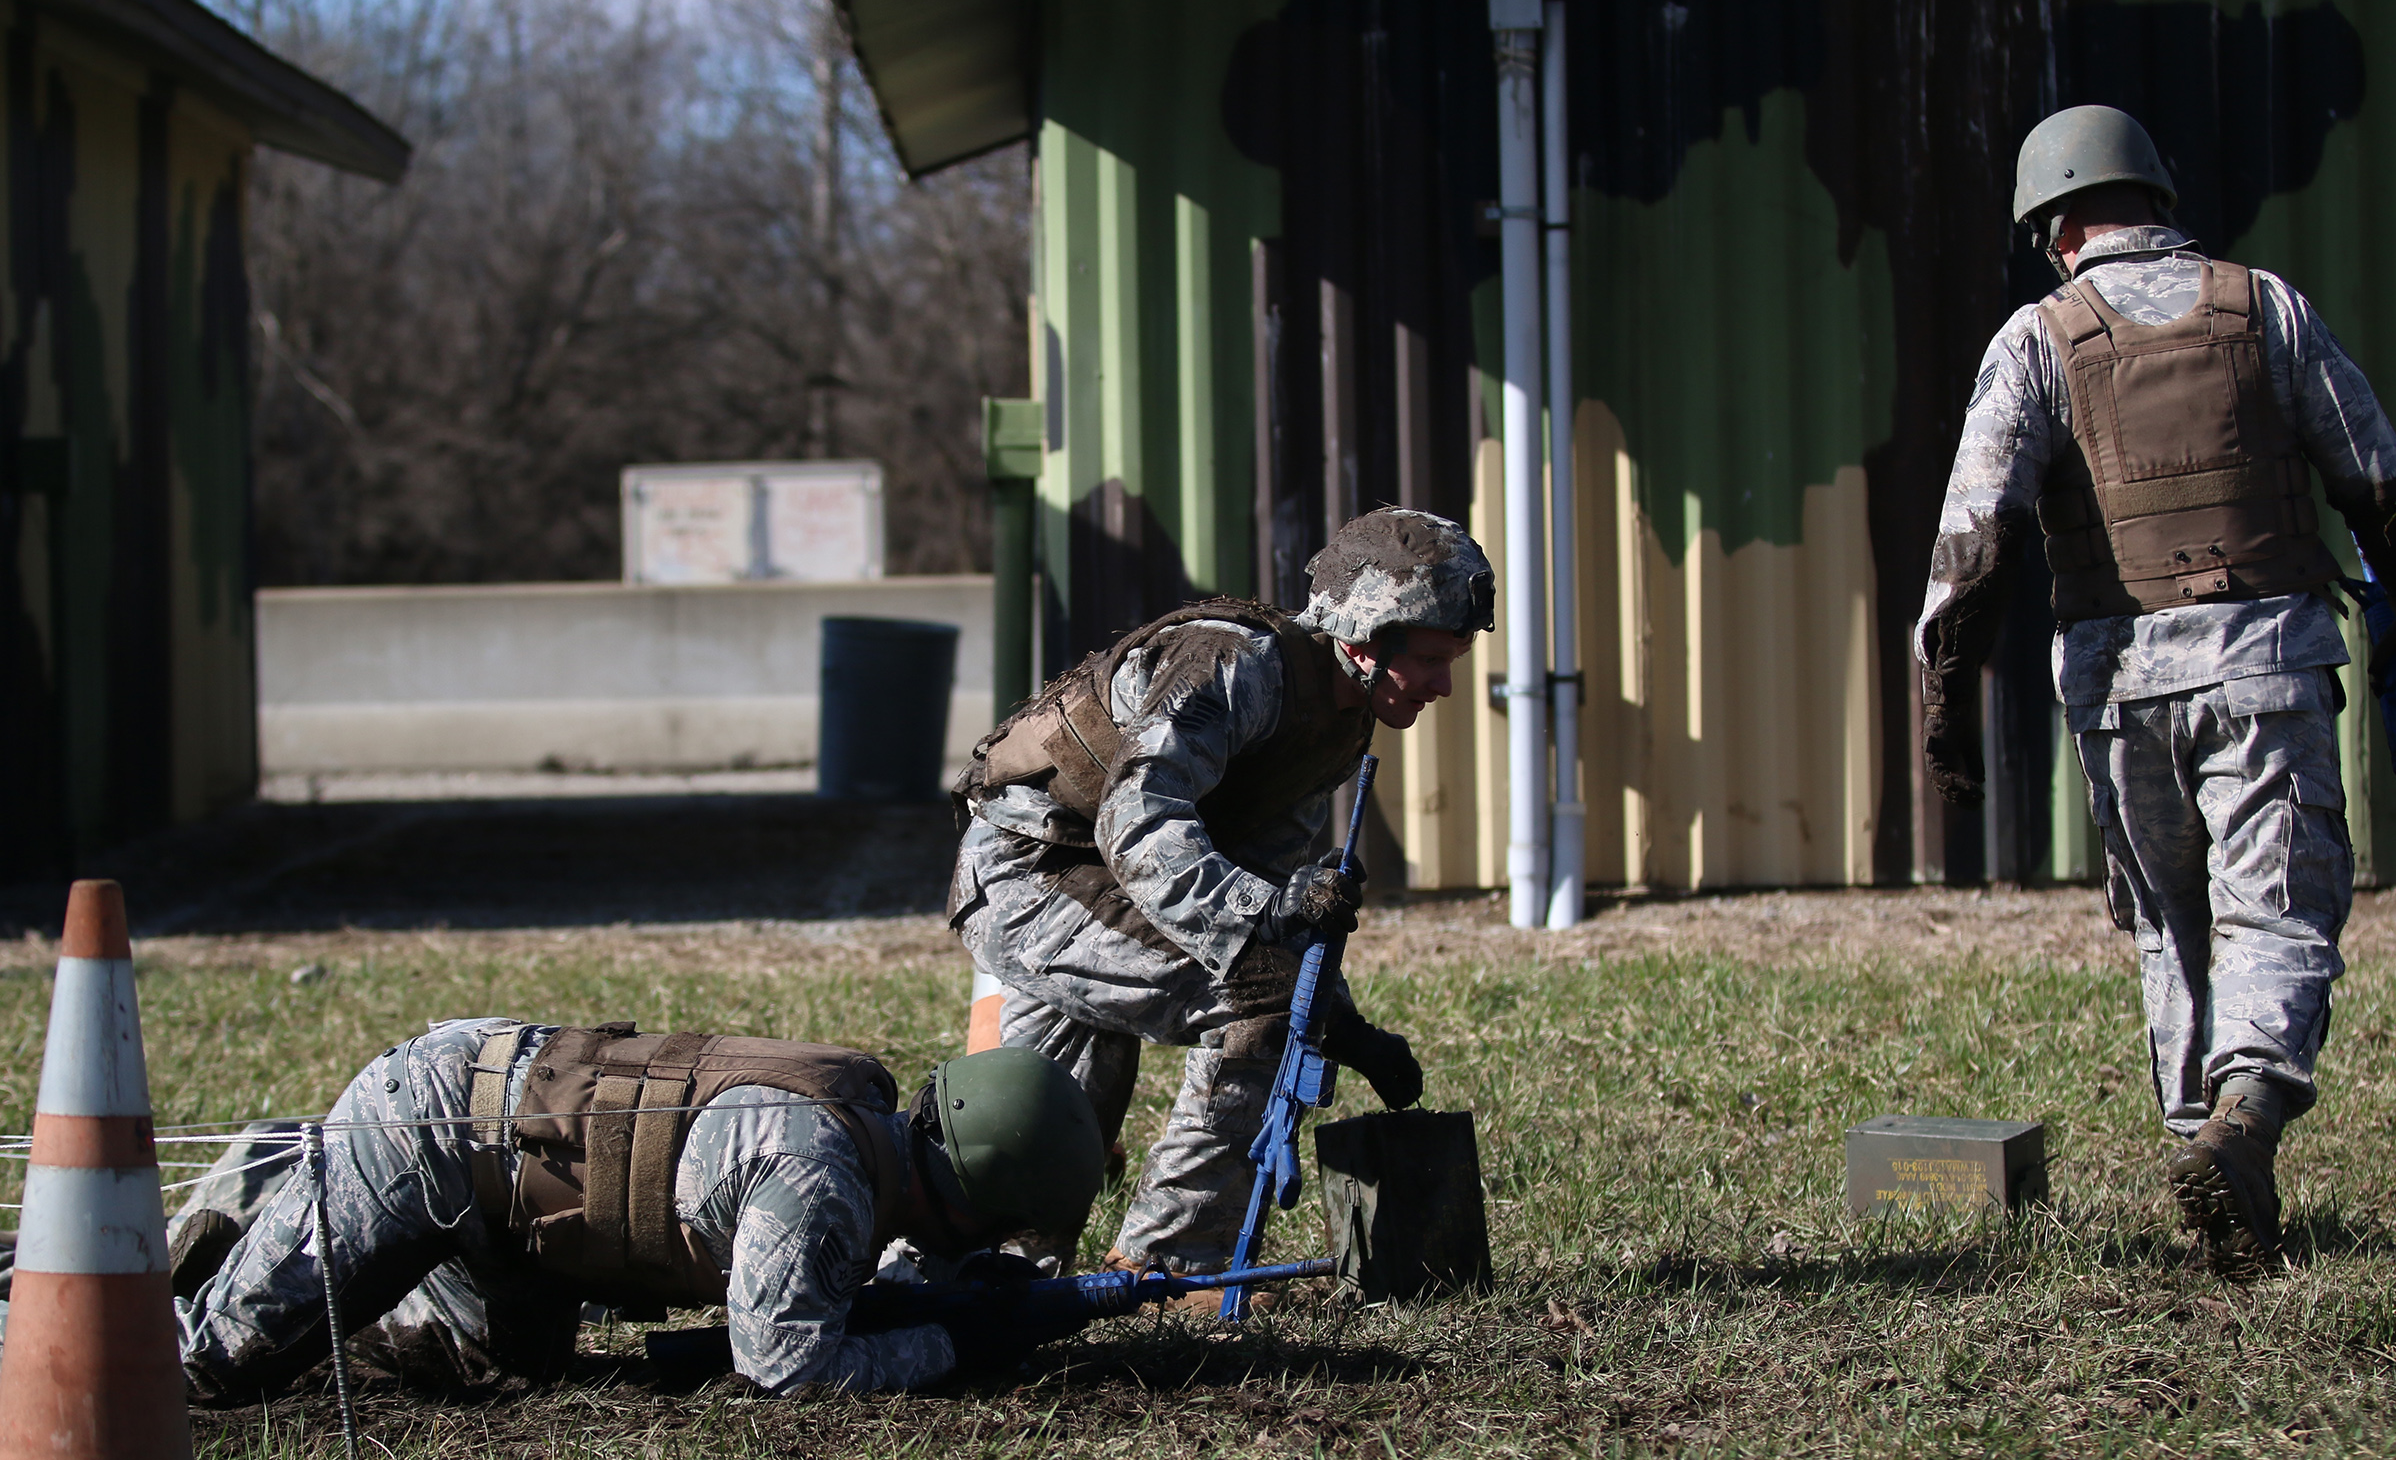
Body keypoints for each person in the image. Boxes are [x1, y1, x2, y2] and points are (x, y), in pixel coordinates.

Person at [1916, 105, 2396, 1268]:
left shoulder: (2037, 338)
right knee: (2275, 908)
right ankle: (2245, 1123)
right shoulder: (2266, 308)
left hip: (2123, 687)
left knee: (2170, 925)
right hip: (2268, 664)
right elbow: (2378, 479)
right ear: (2158, 197)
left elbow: (1975, 539)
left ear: (2055, 226)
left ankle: (2202, 1144)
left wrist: (1945, 703)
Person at [949, 506, 1492, 1275]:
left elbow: (1264, 898)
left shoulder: (1336, 714)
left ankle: (971, 1267)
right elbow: (1138, 823)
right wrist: (1281, 949)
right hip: (1031, 871)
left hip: (1101, 883)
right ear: (1363, 639)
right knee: (1262, 1008)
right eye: (1431, 660)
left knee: (1029, 1145)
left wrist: (1347, 1026)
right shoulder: (1232, 668)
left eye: (1454, 660)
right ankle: (1176, 1261)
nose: (1444, 685)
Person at [166, 1023, 1104, 1397]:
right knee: (207, 1366)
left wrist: (944, 1294)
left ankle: (272, 1240)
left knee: (488, 1370)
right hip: (428, 1130)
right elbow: (786, 1367)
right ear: (965, 1198)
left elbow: (837, 1286)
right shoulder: (820, 1180)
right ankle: (137, 1272)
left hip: (508, 1204)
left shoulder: (870, 1125)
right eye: (998, 1230)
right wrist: (952, 1346)